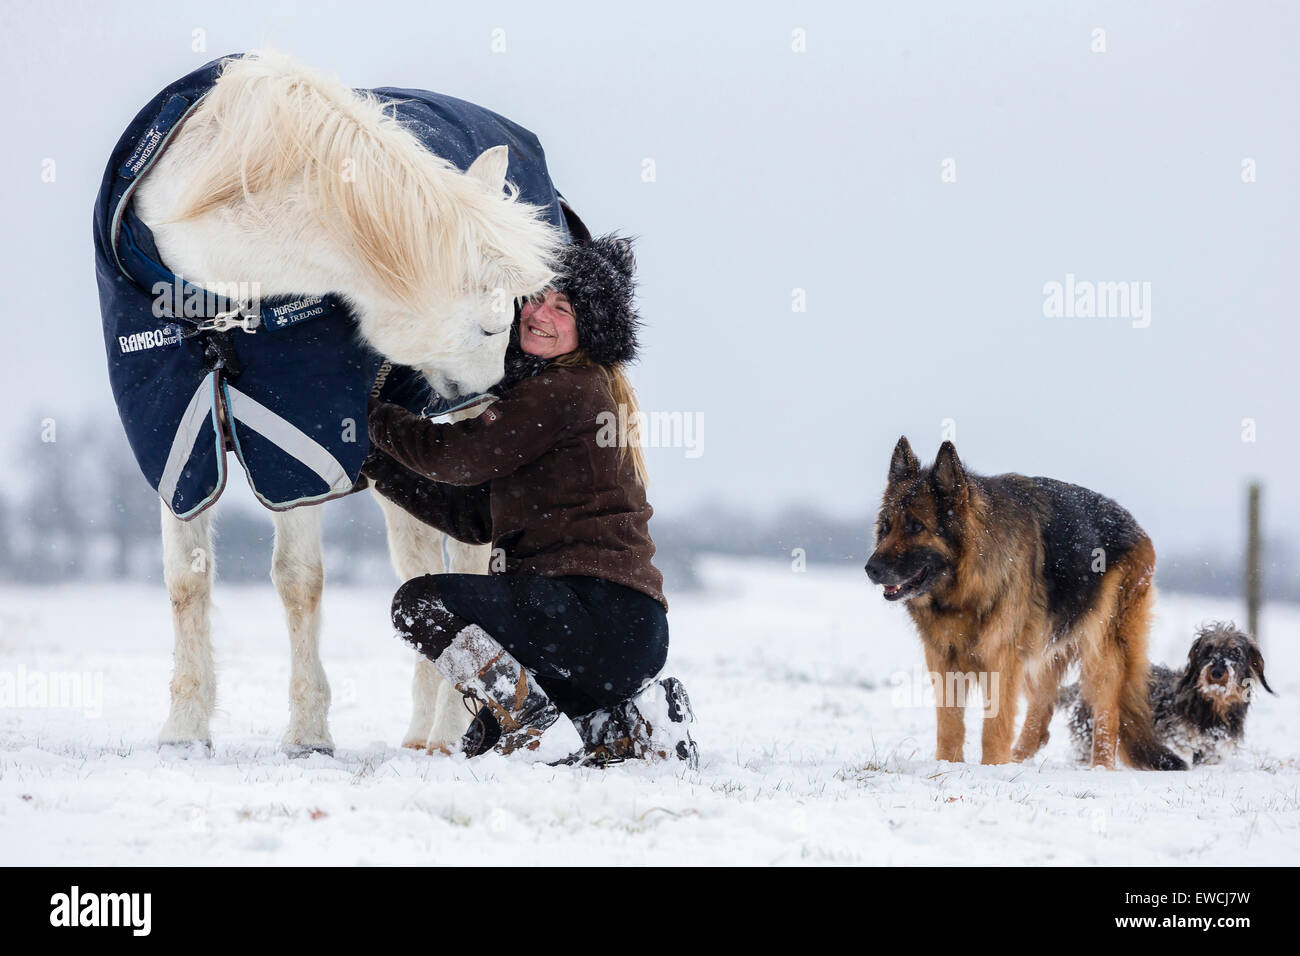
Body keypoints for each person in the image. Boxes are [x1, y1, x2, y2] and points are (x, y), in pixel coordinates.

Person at [363, 236, 697, 767]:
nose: (539, 314)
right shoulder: (581, 389)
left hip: (588, 612)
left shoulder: (564, 389)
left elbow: (459, 458)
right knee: (528, 660)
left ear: (592, 329)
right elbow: (472, 518)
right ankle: (632, 722)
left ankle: (523, 713)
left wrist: (371, 418)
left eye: (562, 308)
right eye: (537, 297)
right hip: (627, 631)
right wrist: (374, 464)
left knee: (419, 605)